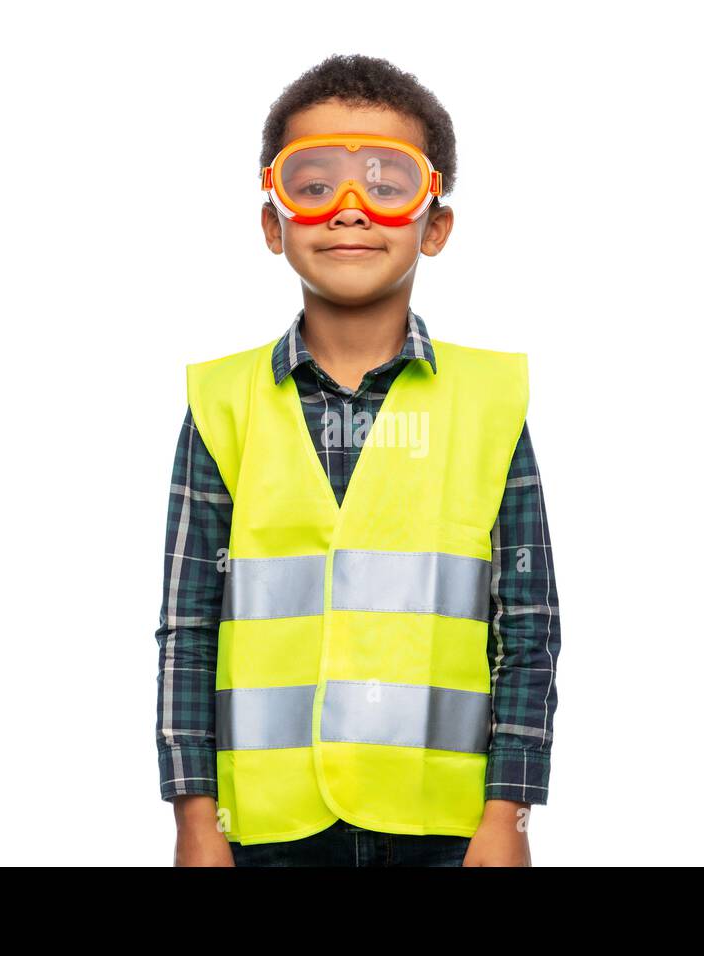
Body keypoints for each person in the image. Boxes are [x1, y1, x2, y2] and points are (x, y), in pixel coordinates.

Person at [154, 54, 561, 867]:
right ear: (274, 224)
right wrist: (194, 821)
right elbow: (187, 629)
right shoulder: (222, 404)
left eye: (386, 182)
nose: (349, 210)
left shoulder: (487, 402)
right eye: (314, 184)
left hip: (442, 830)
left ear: (433, 224)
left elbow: (529, 626)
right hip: (264, 830)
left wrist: (506, 817)